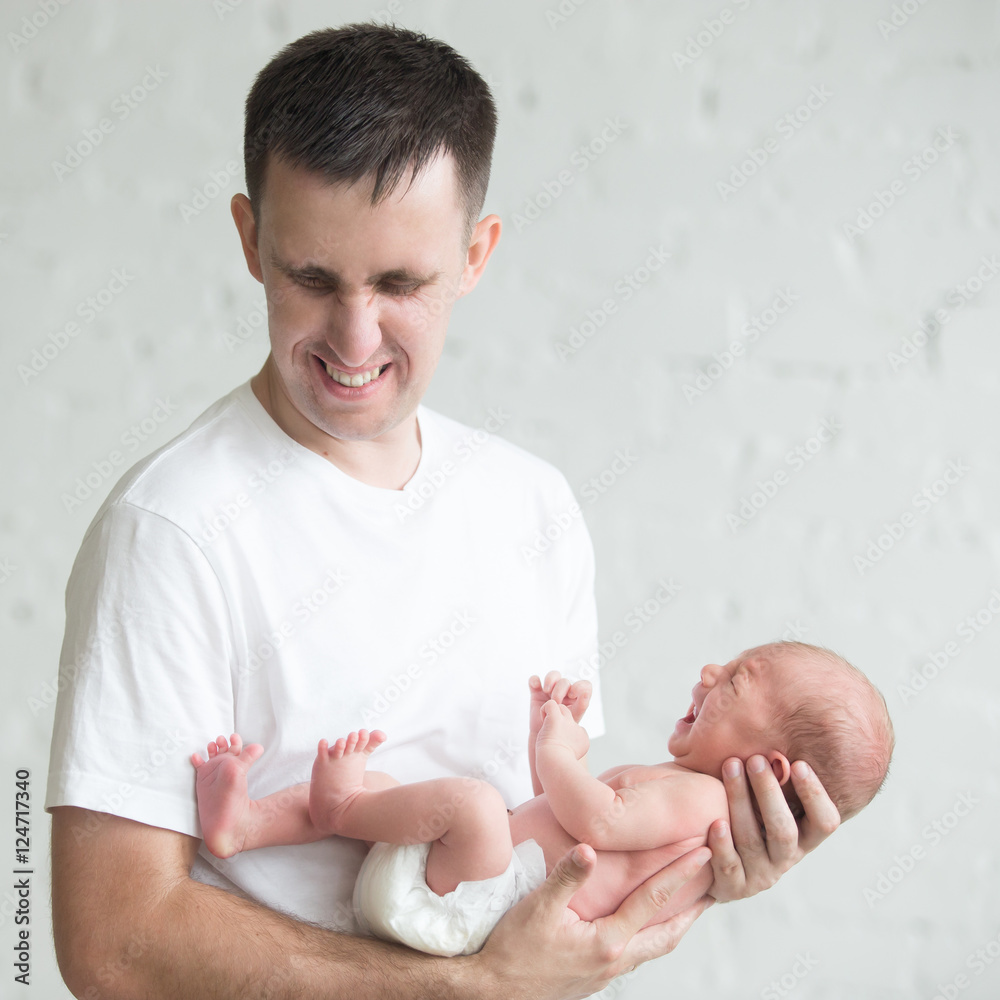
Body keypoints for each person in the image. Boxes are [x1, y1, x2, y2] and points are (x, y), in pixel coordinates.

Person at [46, 23, 841, 1000]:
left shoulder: (532, 507)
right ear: (251, 240)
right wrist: (475, 992)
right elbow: (115, 944)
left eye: (399, 283)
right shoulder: (172, 531)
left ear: (475, 254)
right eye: (312, 278)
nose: (354, 336)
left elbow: (551, 892)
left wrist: (707, 864)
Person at [187, 641, 890, 958]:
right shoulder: (678, 788)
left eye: (737, 680)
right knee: (403, 795)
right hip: (472, 883)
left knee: (471, 805)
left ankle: (338, 811)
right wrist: (547, 738)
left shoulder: (705, 803)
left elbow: (600, 818)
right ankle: (242, 827)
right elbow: (552, 812)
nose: (710, 669)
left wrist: (558, 754)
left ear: (767, 771)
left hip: (475, 912)